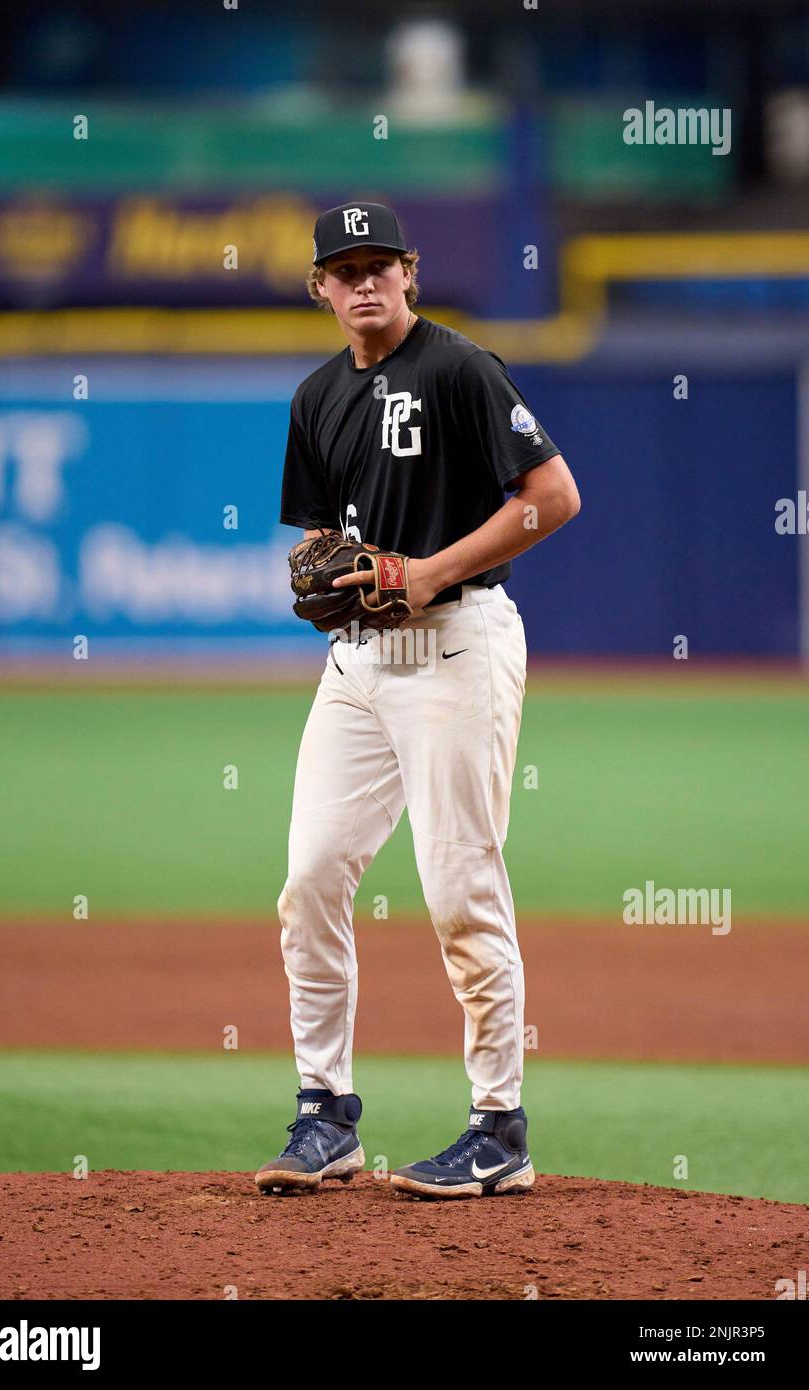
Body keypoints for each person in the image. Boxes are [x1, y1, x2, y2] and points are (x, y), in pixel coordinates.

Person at [255, 202, 580, 1199]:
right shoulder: (315, 397)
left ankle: (498, 1126)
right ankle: (325, 1115)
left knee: (457, 887)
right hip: (357, 667)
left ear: (409, 271)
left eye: (377, 265)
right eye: (341, 269)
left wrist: (425, 570)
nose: (362, 282)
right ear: (319, 287)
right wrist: (315, 572)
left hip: (456, 646)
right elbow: (313, 539)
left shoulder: (459, 369)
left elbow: (551, 496)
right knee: (309, 877)